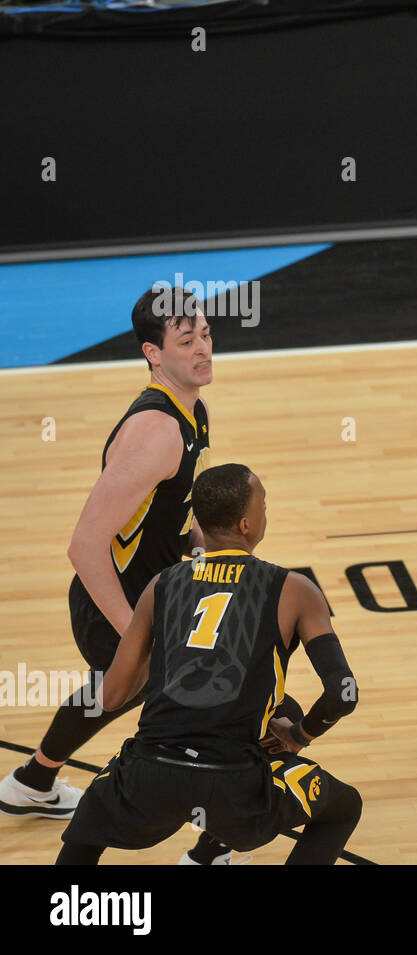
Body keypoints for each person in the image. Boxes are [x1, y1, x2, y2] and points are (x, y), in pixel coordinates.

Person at [0, 285, 237, 864]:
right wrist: (137, 635)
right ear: (153, 353)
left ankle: (32, 782)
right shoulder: (154, 432)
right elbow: (84, 546)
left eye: (205, 334)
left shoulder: (193, 411)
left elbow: (175, 514)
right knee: (222, 701)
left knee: (113, 692)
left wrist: (221, 559)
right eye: (187, 341)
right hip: (116, 602)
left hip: (157, 593)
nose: (203, 349)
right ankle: (212, 850)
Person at [56, 463, 363, 865]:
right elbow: (343, 694)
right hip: (234, 787)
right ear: (247, 524)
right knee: (343, 807)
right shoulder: (295, 590)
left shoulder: (161, 585)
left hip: (151, 773)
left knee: (87, 827)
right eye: (263, 505)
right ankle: (211, 853)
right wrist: (301, 734)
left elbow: (112, 696)